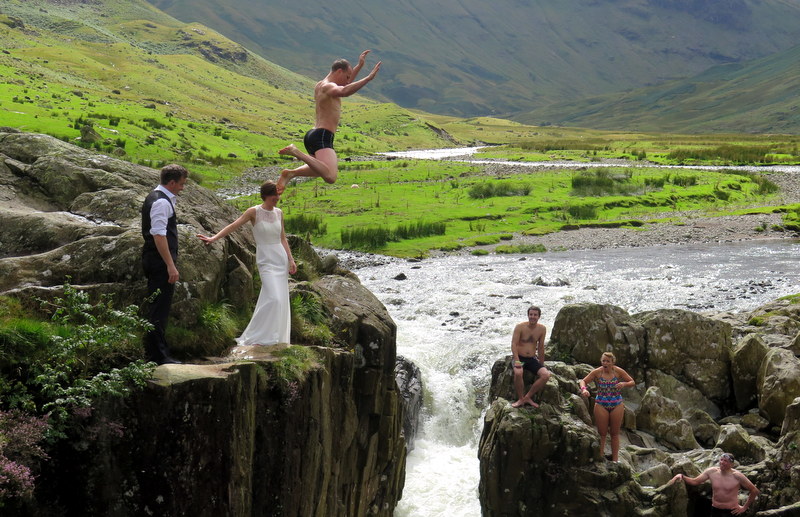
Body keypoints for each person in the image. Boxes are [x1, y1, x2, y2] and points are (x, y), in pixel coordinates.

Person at [197, 181, 297, 345]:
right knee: (274, 298)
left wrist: (291, 259)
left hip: (280, 259)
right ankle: (259, 334)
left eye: (278, 196)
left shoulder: (279, 212)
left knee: (279, 299)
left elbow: (283, 238)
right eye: (274, 197)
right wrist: (214, 238)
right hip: (265, 258)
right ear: (265, 196)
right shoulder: (253, 212)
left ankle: (275, 337)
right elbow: (233, 226)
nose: (277, 199)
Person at [277, 50, 382, 193]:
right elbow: (344, 91)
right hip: (322, 136)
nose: (347, 80)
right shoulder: (329, 87)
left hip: (314, 135)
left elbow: (346, 84)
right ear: (339, 71)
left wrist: (359, 66)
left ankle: (290, 173)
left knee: (319, 169)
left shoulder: (321, 85)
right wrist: (368, 78)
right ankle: (295, 151)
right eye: (346, 76)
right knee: (331, 177)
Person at [141, 164, 189, 365]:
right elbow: (159, 235)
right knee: (159, 309)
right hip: (159, 261)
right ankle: (158, 356)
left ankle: (158, 352)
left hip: (155, 259)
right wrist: (170, 265)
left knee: (158, 307)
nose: (182, 188)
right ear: (171, 182)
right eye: (181, 184)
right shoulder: (161, 202)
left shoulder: (158, 197)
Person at [579, 351, 635, 462]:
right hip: (601, 404)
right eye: (603, 361)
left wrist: (624, 384)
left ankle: (615, 460)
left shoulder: (618, 371)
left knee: (614, 433)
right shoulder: (597, 372)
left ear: (612, 362)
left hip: (617, 404)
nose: (605, 363)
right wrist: (584, 389)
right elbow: (583, 381)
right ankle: (600, 457)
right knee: (602, 433)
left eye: (608, 361)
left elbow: (632, 381)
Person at [670, 453, 759, 515]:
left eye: (726, 461)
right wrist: (681, 476)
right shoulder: (712, 472)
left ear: (732, 464)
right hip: (715, 509)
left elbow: (754, 490)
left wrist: (744, 507)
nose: (722, 462)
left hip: (731, 511)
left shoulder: (737, 476)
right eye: (721, 460)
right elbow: (695, 481)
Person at [510, 306, 551, 408]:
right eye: (531, 314)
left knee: (545, 375)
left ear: (539, 316)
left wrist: (541, 364)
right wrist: (517, 361)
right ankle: (520, 399)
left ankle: (527, 397)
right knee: (518, 373)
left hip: (532, 359)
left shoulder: (542, 329)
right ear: (528, 315)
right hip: (520, 358)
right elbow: (513, 344)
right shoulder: (520, 327)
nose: (532, 317)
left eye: (535, 315)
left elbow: (541, 347)